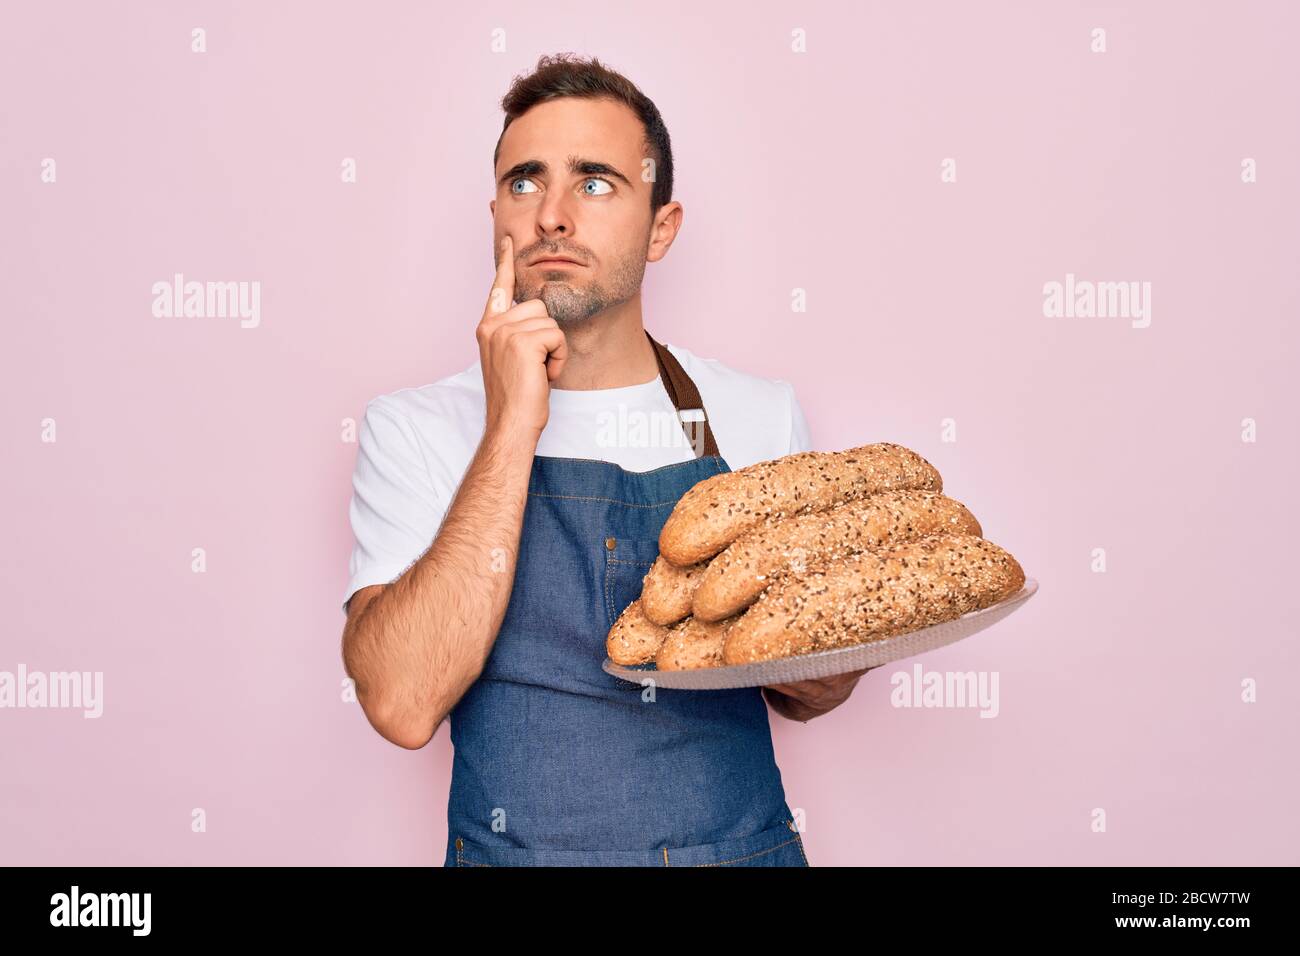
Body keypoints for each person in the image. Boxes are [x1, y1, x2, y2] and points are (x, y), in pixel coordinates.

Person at [340, 53, 869, 867]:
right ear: (495, 216)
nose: (553, 214)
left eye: (595, 183)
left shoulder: (754, 415)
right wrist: (513, 424)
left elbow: (806, 694)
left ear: (661, 227)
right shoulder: (414, 427)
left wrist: (834, 662)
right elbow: (403, 704)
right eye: (525, 181)